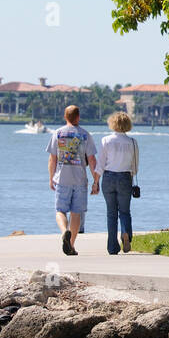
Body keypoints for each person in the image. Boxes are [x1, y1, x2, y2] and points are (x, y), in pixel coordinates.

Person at [47, 105, 98, 256]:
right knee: (76, 212)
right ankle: (71, 245)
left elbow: (52, 159)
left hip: (62, 178)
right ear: (78, 117)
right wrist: (96, 181)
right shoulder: (85, 135)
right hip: (80, 179)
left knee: (60, 210)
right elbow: (92, 160)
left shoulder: (57, 133)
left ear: (65, 116)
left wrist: (51, 178)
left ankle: (64, 232)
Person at [97, 111, 139, 254]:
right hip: (125, 177)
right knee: (125, 211)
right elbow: (135, 167)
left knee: (111, 213)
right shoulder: (133, 142)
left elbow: (100, 164)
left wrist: (96, 181)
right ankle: (126, 232)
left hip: (108, 177)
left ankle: (113, 247)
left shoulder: (106, 140)